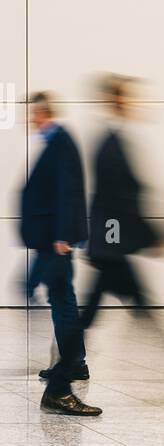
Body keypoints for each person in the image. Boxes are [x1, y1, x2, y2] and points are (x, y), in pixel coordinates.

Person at [20, 92, 100, 415]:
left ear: (43, 113)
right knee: (61, 299)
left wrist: (63, 236)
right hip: (52, 240)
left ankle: (65, 379)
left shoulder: (60, 141)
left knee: (64, 306)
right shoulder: (56, 141)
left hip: (56, 242)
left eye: (32, 114)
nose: (29, 121)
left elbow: (66, 190)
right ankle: (74, 364)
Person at [79, 75, 157, 330]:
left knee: (101, 300)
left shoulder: (113, 139)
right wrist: (149, 236)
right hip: (113, 238)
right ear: (115, 100)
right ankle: (69, 356)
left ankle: (69, 355)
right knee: (133, 301)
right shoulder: (111, 143)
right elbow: (118, 198)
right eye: (126, 96)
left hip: (111, 240)